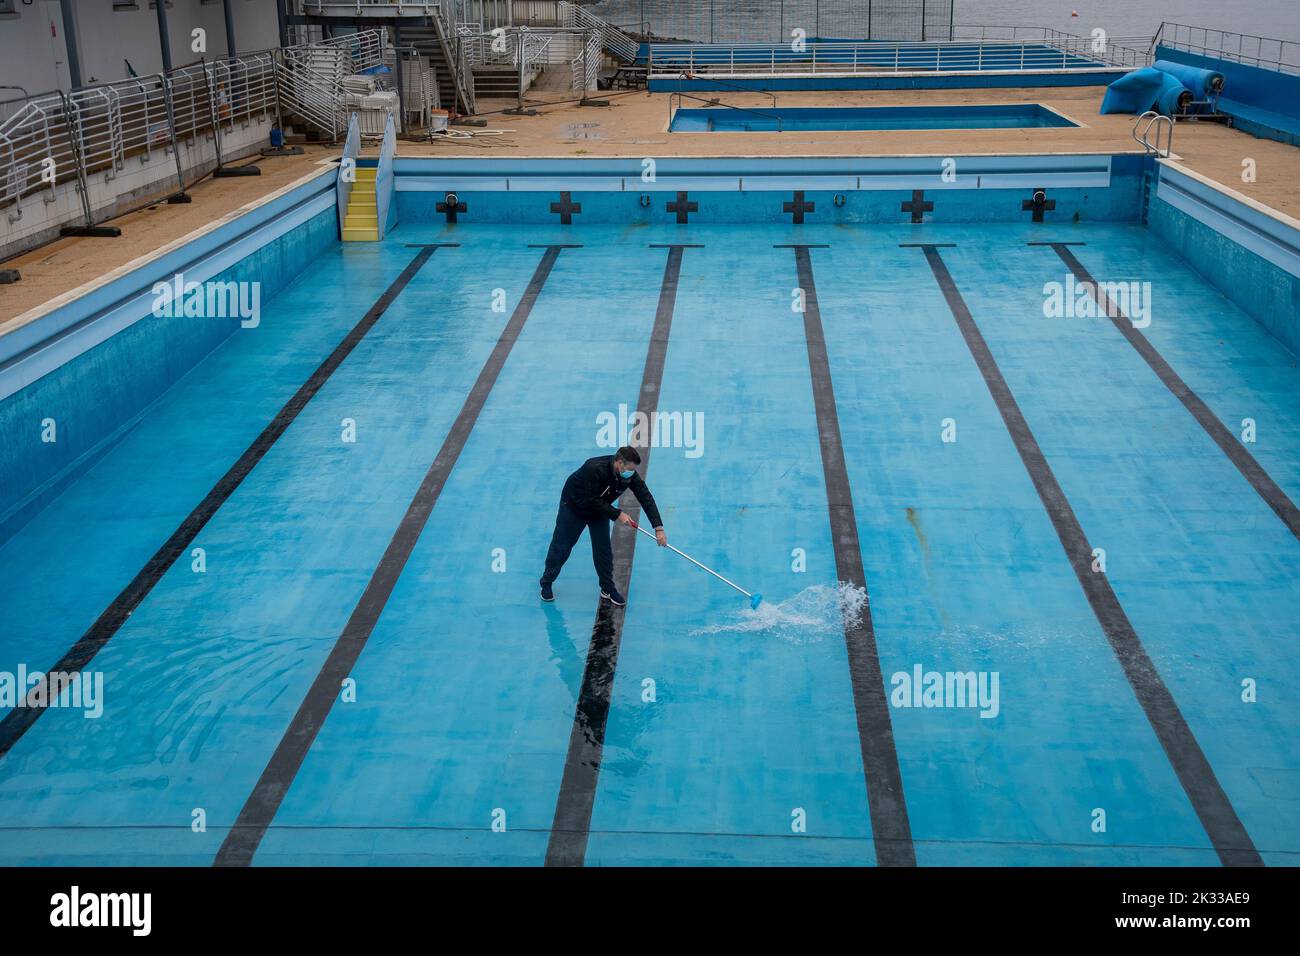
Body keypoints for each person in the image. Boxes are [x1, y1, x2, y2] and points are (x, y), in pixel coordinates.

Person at [540, 446, 667, 606]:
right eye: (630, 469)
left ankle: (607, 588)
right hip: (574, 507)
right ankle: (547, 582)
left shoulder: (629, 475)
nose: (632, 473)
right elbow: (591, 499)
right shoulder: (594, 467)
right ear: (619, 463)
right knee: (562, 547)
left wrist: (658, 528)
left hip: (600, 509)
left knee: (603, 551)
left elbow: (645, 497)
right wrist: (617, 514)